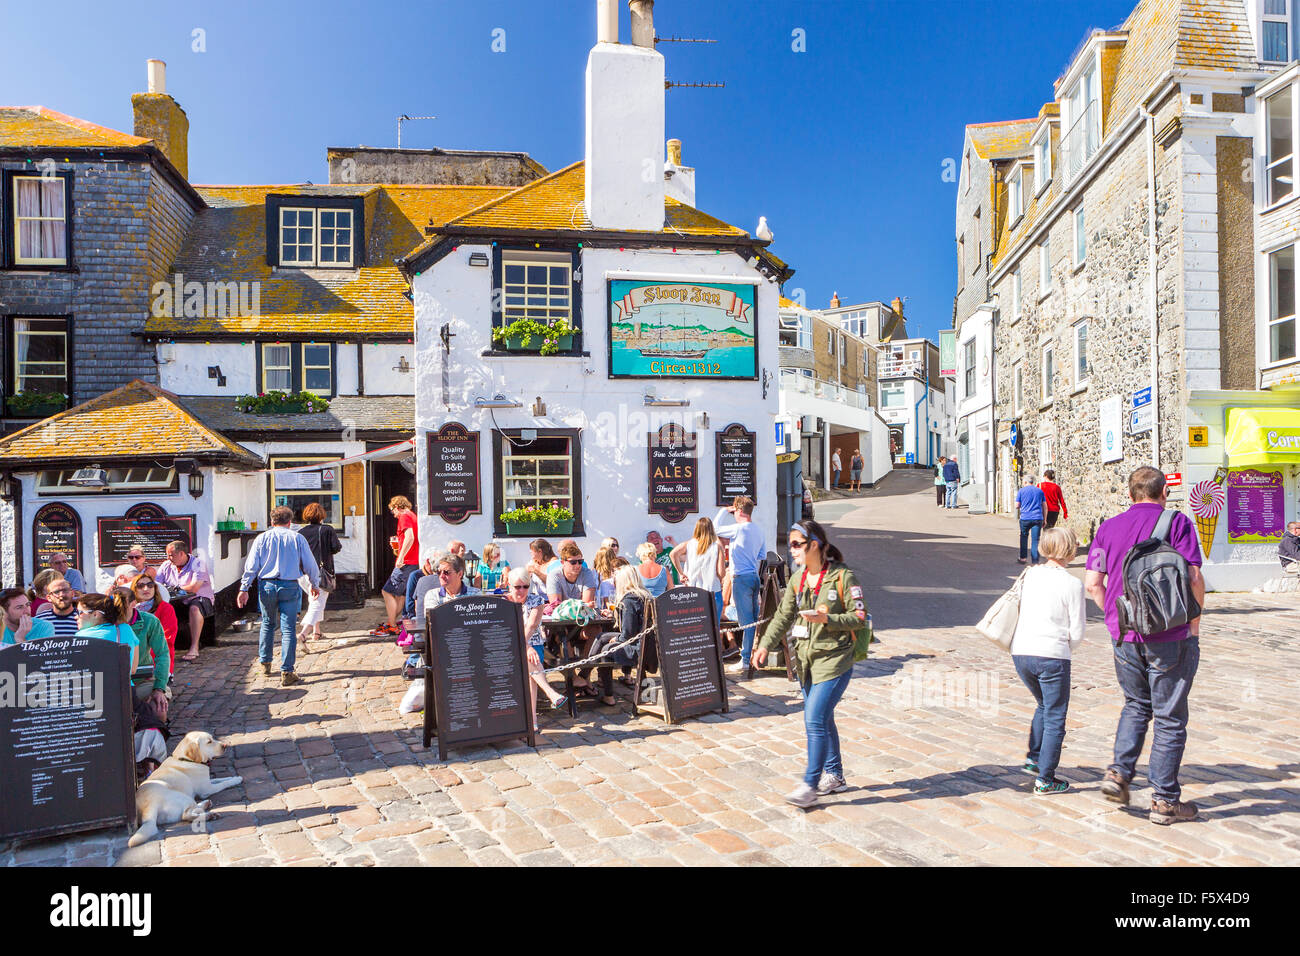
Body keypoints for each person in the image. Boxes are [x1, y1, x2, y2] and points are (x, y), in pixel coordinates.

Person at [1084, 466, 1205, 826]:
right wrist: (1194, 624)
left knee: (1136, 704)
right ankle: (1165, 801)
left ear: (1130, 494)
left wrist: (1113, 617)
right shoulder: (1177, 523)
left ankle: (1119, 774)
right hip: (1170, 634)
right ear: (1163, 492)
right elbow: (1195, 577)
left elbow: (1092, 583)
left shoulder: (1108, 528)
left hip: (1124, 634)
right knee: (1169, 717)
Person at [753, 519, 866, 808]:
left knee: (814, 719)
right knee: (824, 718)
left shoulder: (843, 577)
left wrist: (827, 618)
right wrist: (764, 644)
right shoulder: (797, 579)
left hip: (836, 659)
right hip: (806, 661)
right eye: (789, 544)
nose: (791, 550)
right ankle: (835, 775)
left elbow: (859, 618)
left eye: (796, 544)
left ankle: (810, 784)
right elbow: (782, 616)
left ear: (813, 545)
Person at [1009, 527, 1086, 795]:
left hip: (1021, 652)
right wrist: (1065, 649)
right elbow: (1077, 631)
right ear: (1069, 549)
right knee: (1055, 715)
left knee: (1043, 704)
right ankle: (1046, 778)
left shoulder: (1030, 574)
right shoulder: (1072, 583)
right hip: (1052, 653)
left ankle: (1034, 757)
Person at [237, 505, 321, 686]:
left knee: (267, 623)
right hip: (289, 585)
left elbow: (251, 565)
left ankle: (265, 663)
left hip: (266, 585)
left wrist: (244, 588)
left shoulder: (261, 538)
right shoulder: (297, 538)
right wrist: (315, 583)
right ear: (290, 522)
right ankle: (287, 671)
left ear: (271, 521)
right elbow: (310, 564)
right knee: (288, 628)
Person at [505, 567, 567, 729]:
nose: (521, 590)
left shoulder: (536, 601)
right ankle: (549, 693)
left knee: (529, 664)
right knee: (530, 656)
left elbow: (531, 626)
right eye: (517, 587)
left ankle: (532, 720)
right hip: (508, 647)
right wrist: (526, 646)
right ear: (510, 586)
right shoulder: (504, 602)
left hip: (532, 644)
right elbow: (505, 630)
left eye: (525, 586)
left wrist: (525, 647)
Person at [714, 496, 766, 676]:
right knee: (751, 620)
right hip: (754, 577)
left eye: (734, 511)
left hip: (741, 578)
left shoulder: (738, 528)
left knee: (747, 623)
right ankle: (747, 657)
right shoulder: (759, 530)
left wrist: (723, 511)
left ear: (739, 511)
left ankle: (745, 660)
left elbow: (714, 528)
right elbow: (762, 555)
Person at [588, 565, 652, 707]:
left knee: (606, 650)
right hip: (648, 646)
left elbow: (627, 635)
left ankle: (608, 695)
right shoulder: (645, 595)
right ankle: (584, 675)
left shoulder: (629, 600)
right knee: (601, 637)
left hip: (637, 648)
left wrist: (616, 639)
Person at [155, 540, 215, 662]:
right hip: (175, 600)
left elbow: (194, 588)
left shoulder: (198, 564)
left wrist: (173, 589)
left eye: (171, 555)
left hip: (198, 598)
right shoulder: (166, 565)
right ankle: (159, 647)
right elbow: (157, 585)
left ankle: (194, 647)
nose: (168, 558)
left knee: (194, 609)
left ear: (181, 553)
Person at [296, 502, 342, 646]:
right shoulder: (327, 530)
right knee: (317, 604)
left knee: (313, 601)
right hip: (321, 574)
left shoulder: (301, 533)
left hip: (303, 575)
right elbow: (336, 547)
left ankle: (317, 632)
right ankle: (303, 634)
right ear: (322, 515)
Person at [374, 495, 419, 637]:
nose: (393, 514)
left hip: (406, 563)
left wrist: (400, 557)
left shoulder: (404, 516)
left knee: (386, 591)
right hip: (413, 562)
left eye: (393, 510)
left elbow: (410, 537)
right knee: (400, 595)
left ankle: (392, 625)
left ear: (397, 507)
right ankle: (391, 623)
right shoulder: (412, 515)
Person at [670, 517, 725, 628]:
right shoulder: (717, 547)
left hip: (692, 591)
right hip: (712, 590)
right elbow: (721, 573)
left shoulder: (689, 544)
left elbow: (673, 554)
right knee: (713, 626)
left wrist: (681, 573)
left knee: (694, 627)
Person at [122, 587, 171, 704]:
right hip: (114, 683)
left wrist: (159, 688)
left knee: (158, 706)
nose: (118, 608)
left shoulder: (149, 621)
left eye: (122, 603)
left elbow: (162, 654)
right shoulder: (106, 623)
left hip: (142, 680)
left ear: (133, 603)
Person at [75, 591, 139, 670]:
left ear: (96, 614)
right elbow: (133, 669)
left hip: (97, 682)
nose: (76, 616)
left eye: (80, 612)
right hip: (125, 682)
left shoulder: (81, 637)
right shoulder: (126, 628)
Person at [131, 573, 177, 677]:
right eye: (140, 586)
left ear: (155, 588)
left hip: (155, 659)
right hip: (133, 659)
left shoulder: (166, 608)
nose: (146, 588)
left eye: (150, 585)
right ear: (134, 589)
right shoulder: (129, 610)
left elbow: (168, 638)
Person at [1016, 474, 1047, 565]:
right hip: (1037, 518)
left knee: (1024, 537)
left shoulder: (1021, 491)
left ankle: (1023, 558)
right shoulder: (1040, 491)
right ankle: (1035, 561)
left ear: (1025, 482)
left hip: (1025, 518)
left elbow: (1017, 505)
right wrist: (1044, 519)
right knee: (1035, 540)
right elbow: (1045, 506)